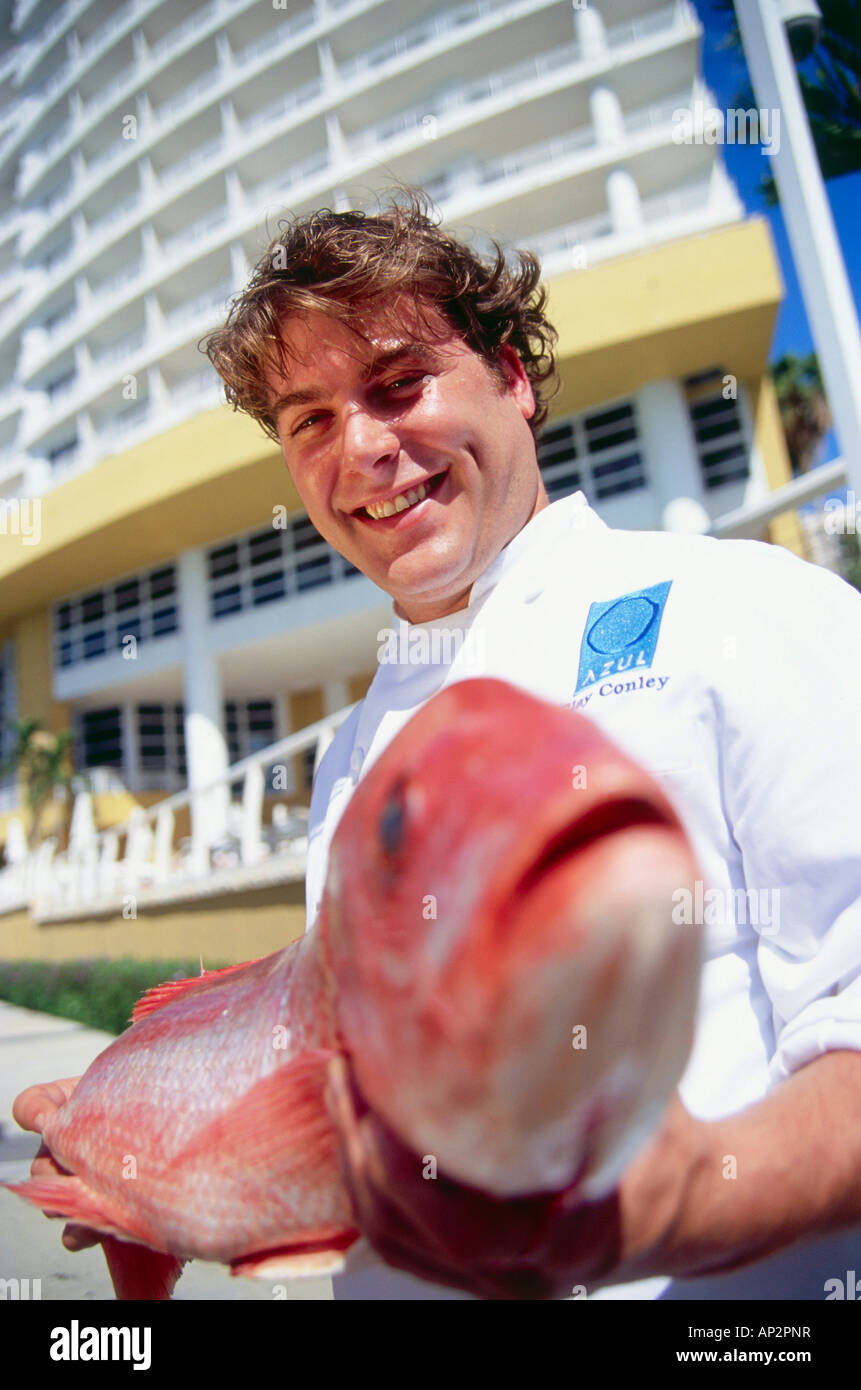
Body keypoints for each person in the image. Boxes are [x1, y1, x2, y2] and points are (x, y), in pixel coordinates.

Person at [15, 192, 861, 1301]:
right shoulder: (353, 748)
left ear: (512, 376)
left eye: (399, 383)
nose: (364, 448)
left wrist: (684, 1204)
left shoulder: (743, 603)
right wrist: (162, 1165)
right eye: (308, 420)